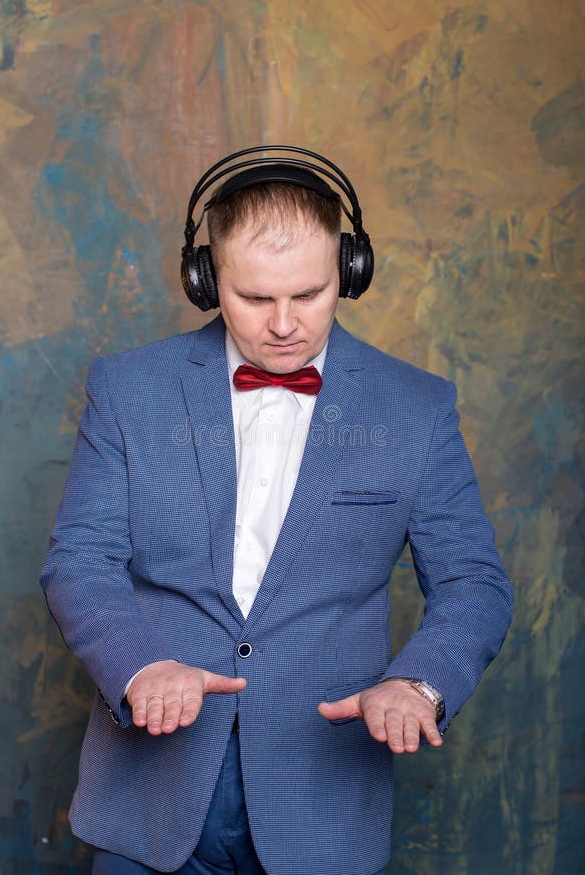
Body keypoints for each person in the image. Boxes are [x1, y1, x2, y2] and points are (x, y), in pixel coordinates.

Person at [41, 147, 513, 875]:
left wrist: (418, 681)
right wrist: (136, 668)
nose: (285, 324)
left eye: (311, 294)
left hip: (321, 801)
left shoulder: (418, 408)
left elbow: (473, 582)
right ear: (206, 281)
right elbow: (80, 559)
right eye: (255, 298)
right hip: (149, 802)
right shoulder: (128, 390)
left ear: (349, 274)